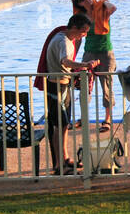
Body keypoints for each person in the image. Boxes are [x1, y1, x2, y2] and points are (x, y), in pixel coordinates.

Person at [42, 13, 99, 175]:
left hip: (63, 86)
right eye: (83, 31)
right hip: (57, 88)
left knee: (64, 125)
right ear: (74, 28)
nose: (85, 35)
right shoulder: (64, 42)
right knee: (58, 126)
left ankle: (65, 159)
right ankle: (59, 166)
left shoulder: (64, 37)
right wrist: (85, 65)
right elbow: (65, 61)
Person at [78, 0, 118, 132]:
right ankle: (83, 118)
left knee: (106, 86)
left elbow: (113, 8)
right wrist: (73, 57)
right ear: (79, 4)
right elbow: (78, 37)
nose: (86, 0)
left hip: (105, 53)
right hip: (89, 52)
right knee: (84, 86)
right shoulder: (81, 17)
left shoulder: (102, 9)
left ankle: (107, 120)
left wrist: (103, 2)